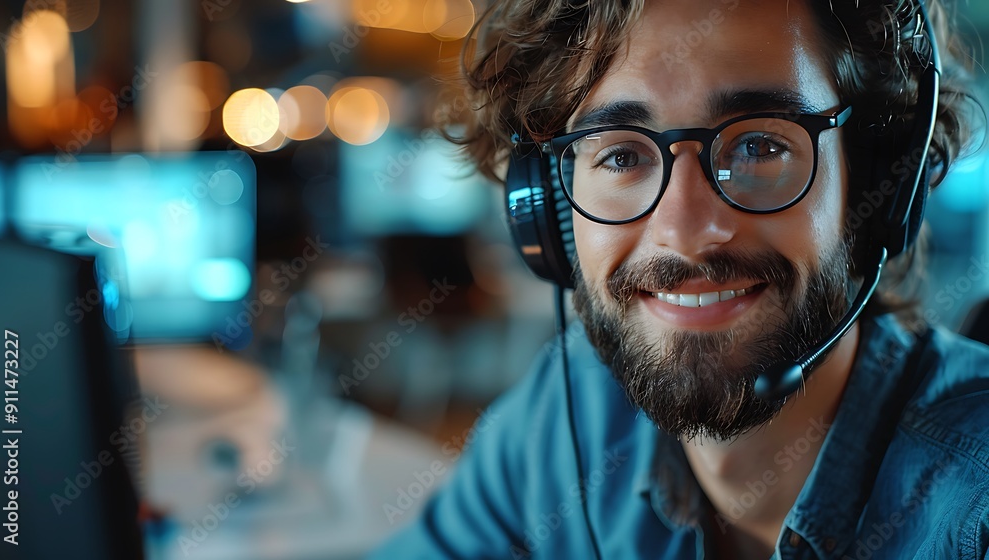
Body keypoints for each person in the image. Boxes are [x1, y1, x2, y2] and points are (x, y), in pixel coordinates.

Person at [371, 0, 989, 558]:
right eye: (621, 156)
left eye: (760, 147)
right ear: (548, 213)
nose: (687, 232)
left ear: (878, 181)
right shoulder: (565, 418)